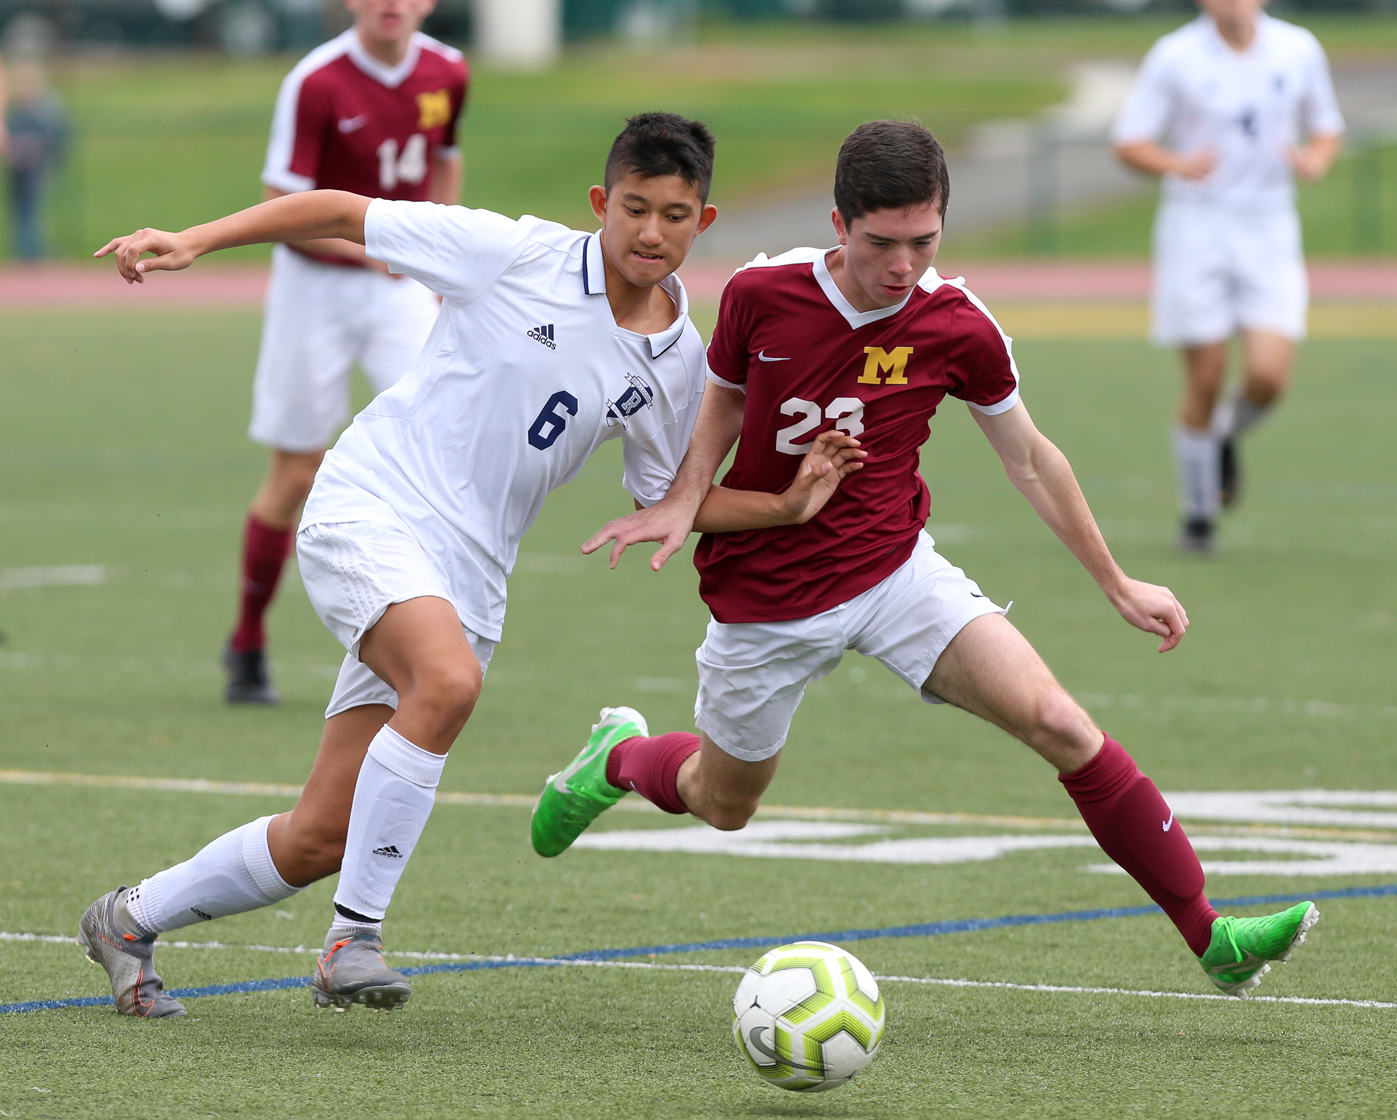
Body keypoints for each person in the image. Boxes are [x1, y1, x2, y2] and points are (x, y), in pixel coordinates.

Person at [78, 113, 866, 1019]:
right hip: (372, 506)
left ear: (706, 219)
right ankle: (352, 942)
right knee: (446, 683)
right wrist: (196, 239)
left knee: (320, 835)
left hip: (469, 577)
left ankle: (127, 920)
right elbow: (341, 210)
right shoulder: (509, 252)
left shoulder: (677, 358)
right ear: (601, 204)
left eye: (677, 216)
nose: (653, 234)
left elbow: (671, 501)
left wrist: (786, 505)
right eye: (637, 209)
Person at [531, 120, 1319, 999]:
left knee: (1060, 724)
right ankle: (618, 757)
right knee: (723, 803)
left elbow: (1030, 457)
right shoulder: (762, 293)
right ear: (839, 224)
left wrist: (1116, 580)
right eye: (881, 243)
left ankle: (1213, 937)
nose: (903, 265)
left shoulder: (958, 324)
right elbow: (721, 400)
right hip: (767, 596)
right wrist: (684, 499)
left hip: (896, 574)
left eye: (923, 240)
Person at [225, 0, 469, 703]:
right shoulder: (317, 80)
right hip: (317, 286)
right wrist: (374, 255)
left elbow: (446, 161)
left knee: (435, 452)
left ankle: (428, 649)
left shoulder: (448, 71)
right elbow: (283, 205)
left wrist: (439, 250)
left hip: (397, 285)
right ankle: (247, 639)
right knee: (297, 471)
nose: (391, 3)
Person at [1111, 0, 1343, 552]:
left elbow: (1326, 127)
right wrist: (1176, 163)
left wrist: (1315, 160)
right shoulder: (1175, 55)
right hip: (1197, 225)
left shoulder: (1299, 47)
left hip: (1270, 226)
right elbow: (1129, 141)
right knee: (1207, 377)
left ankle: (1219, 438)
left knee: (1268, 378)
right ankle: (1198, 517)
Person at [3, 56, 66, 261]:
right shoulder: (15, 113)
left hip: (35, 170)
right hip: (17, 170)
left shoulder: (44, 113)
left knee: (31, 212)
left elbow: (54, 141)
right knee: (20, 213)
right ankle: (26, 253)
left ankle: (31, 253)